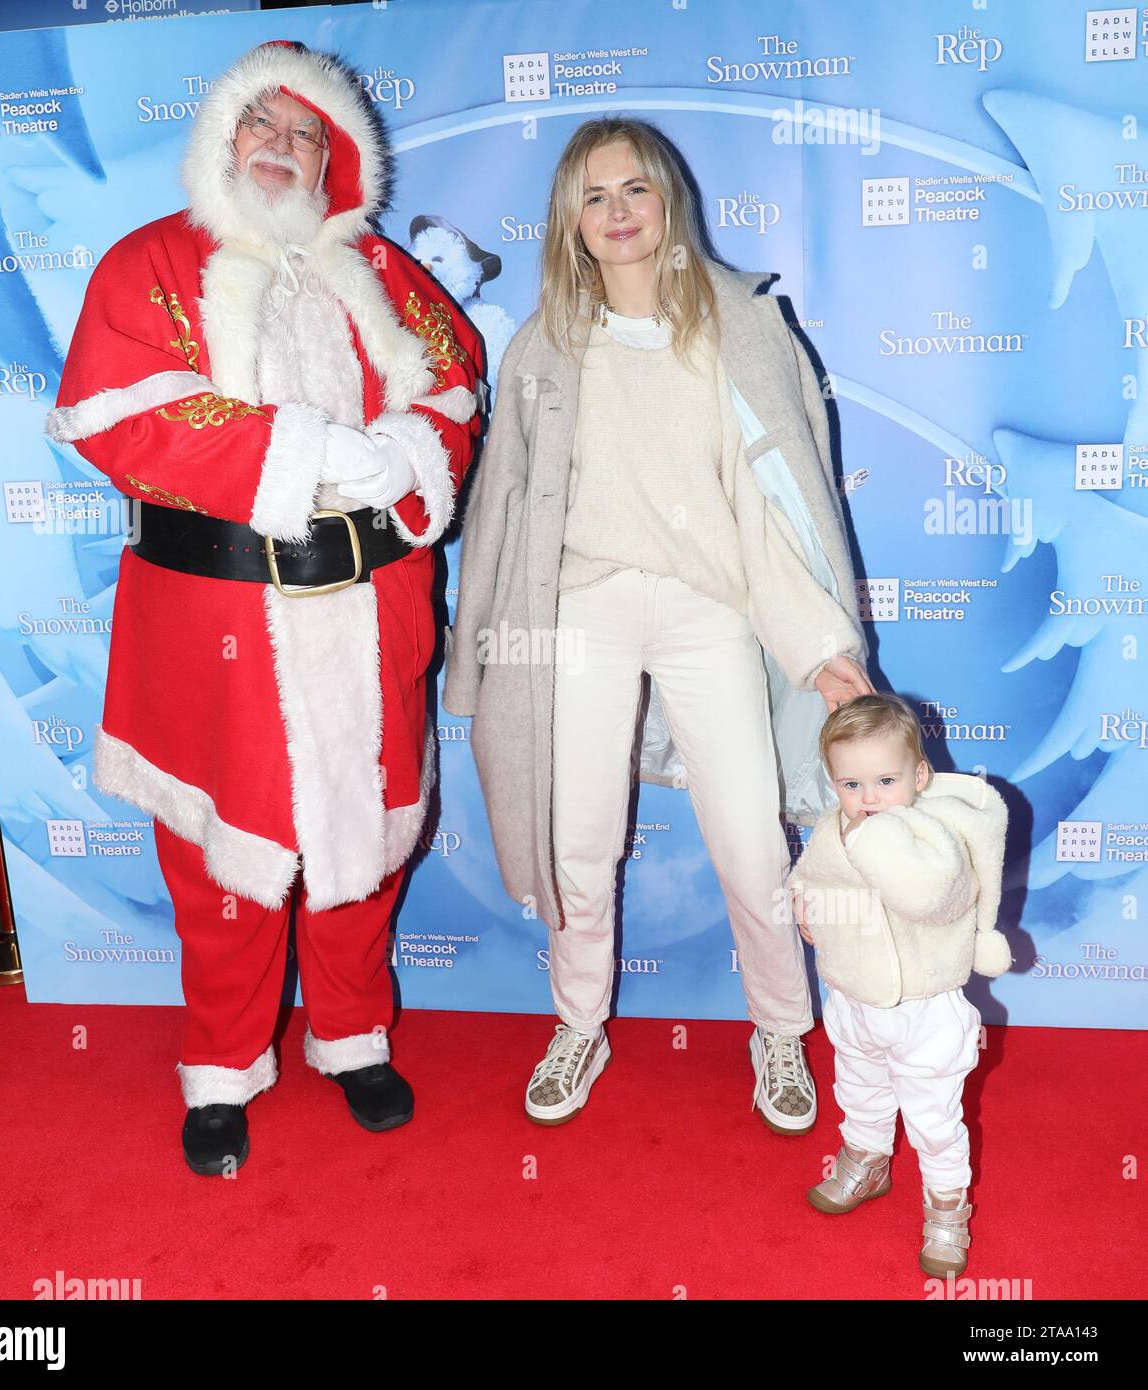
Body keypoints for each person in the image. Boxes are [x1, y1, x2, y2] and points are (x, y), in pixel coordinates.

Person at [46, 40, 481, 1175]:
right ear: (222, 136)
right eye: (261, 124)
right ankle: (222, 1065)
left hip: (372, 606)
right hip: (216, 620)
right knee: (223, 866)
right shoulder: (151, 262)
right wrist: (303, 451)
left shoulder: (382, 272)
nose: (280, 147)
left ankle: (353, 1036)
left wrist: (405, 449)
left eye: (305, 134)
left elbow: (456, 383)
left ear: (336, 159)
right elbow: (115, 414)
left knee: (361, 842)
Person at [443, 116, 873, 1130]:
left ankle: (779, 1030)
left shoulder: (738, 327)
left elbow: (772, 511)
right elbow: (506, 512)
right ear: (570, 220)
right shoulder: (545, 346)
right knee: (579, 841)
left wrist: (823, 652)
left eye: (634, 188)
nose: (618, 211)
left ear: (668, 198)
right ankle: (578, 1023)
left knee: (751, 844)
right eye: (593, 196)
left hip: (706, 608)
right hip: (580, 611)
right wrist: (484, 651)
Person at [789, 694, 1012, 1275]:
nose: (869, 798)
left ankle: (947, 1208)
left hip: (925, 1010)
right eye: (851, 784)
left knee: (934, 1118)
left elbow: (935, 899)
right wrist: (805, 902)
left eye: (885, 781)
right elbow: (809, 875)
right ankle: (868, 1161)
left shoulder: (937, 839)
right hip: (853, 998)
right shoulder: (834, 829)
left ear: (919, 777)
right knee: (859, 1090)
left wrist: (882, 847)